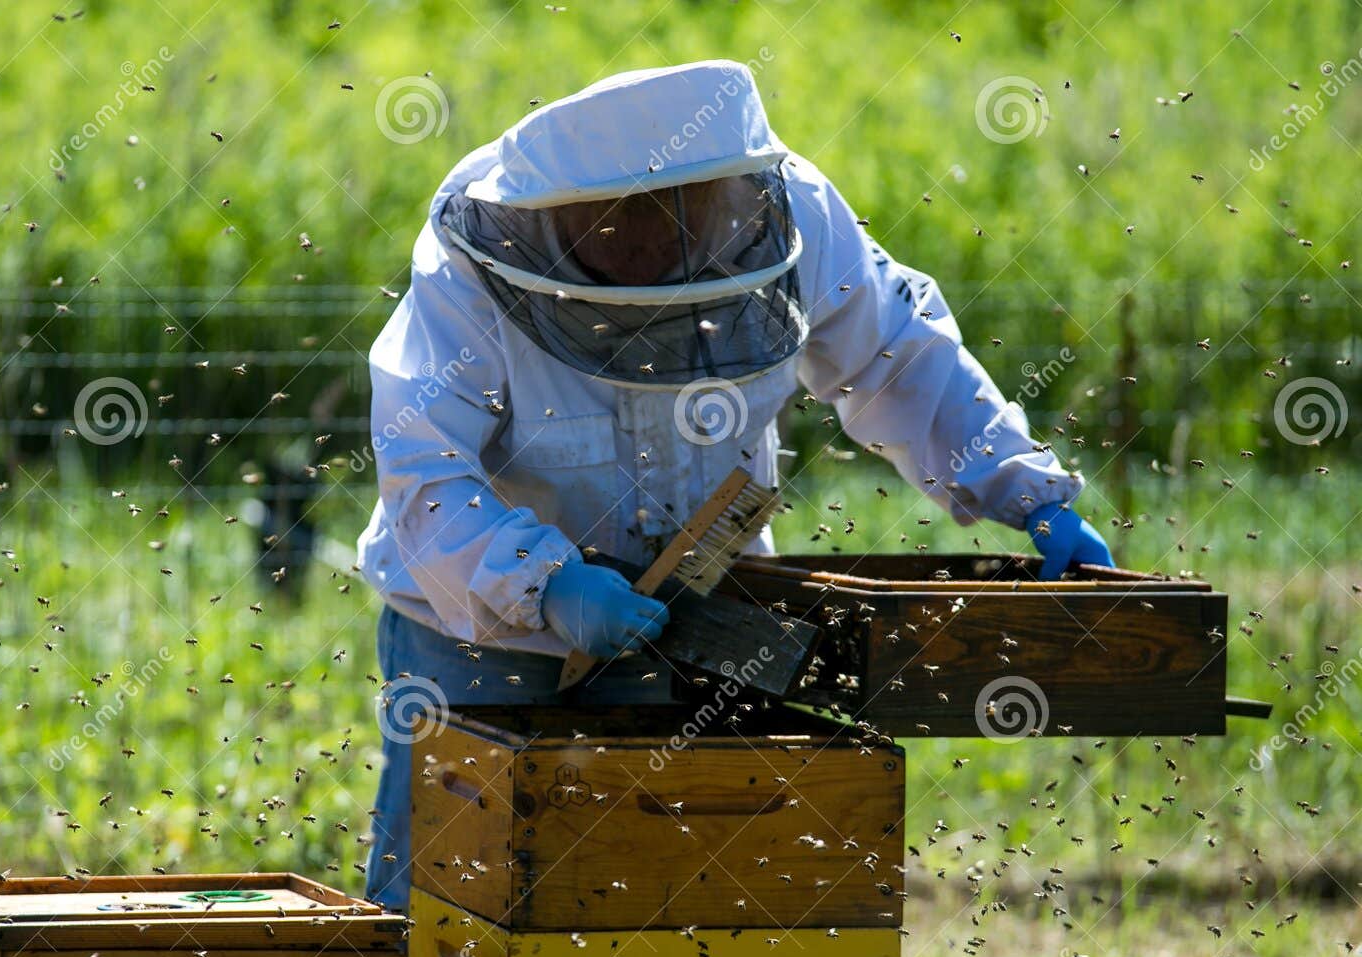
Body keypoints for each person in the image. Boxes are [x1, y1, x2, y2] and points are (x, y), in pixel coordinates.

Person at [354, 60, 1113, 910]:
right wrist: (544, 582)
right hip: (478, 636)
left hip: (701, 612)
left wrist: (1025, 488)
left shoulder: (801, 219)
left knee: (682, 900)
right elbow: (423, 467)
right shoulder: (468, 273)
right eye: (617, 239)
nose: (646, 255)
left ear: (723, 199)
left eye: (671, 230)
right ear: (560, 222)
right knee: (448, 907)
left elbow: (898, 354)